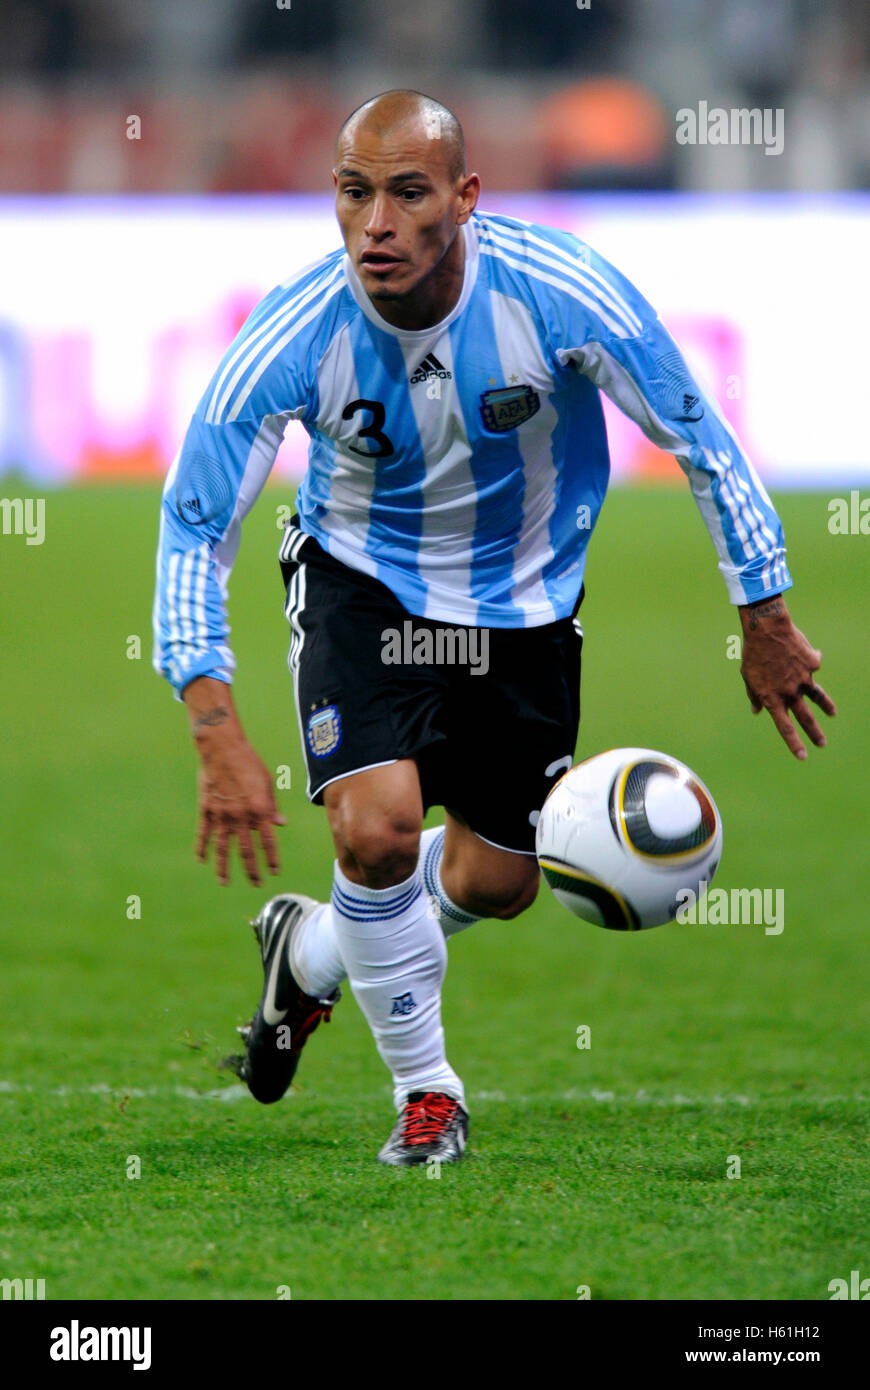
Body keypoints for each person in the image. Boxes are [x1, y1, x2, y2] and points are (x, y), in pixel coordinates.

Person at [153, 90, 835, 1166]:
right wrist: (210, 721)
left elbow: (700, 436)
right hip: (361, 582)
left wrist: (766, 613)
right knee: (374, 834)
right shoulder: (293, 334)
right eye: (353, 192)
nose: (375, 222)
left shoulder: (561, 295)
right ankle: (429, 1094)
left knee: (498, 882)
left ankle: (313, 950)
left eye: (407, 193)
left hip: (525, 607)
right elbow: (194, 528)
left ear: (465, 199)